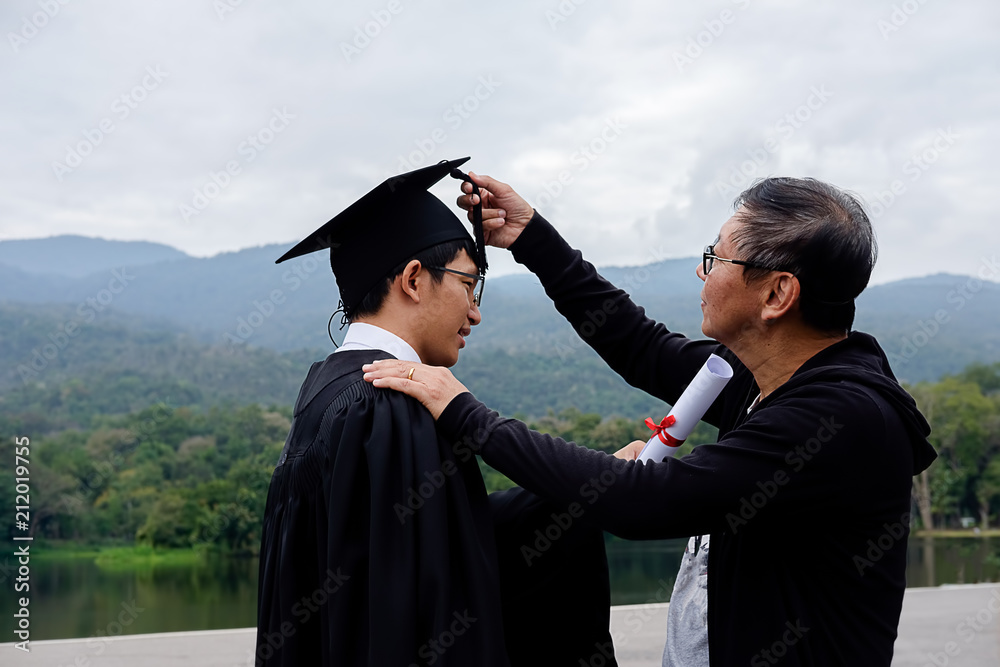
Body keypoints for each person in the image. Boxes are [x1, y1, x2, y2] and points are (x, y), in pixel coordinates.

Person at [363, 173, 937, 666]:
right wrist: (532, 237)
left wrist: (464, 411)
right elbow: (638, 344)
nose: (700, 271)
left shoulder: (838, 416)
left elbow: (641, 500)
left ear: (778, 293)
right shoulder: (765, 379)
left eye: (716, 258)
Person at [255, 158, 616, 666]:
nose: (475, 312)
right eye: (469, 285)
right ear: (413, 279)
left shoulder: (324, 389)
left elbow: (431, 540)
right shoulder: (392, 404)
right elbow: (426, 600)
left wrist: (587, 488)